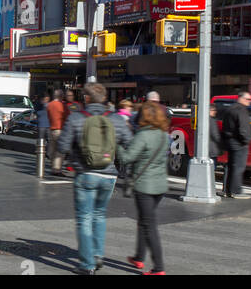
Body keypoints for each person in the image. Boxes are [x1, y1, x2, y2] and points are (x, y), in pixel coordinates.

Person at [58, 81, 132, 275]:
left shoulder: (76, 117)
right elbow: (129, 142)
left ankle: (87, 264)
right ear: (105, 98)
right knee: (99, 215)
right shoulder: (116, 119)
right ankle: (98, 256)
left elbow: (62, 147)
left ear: (87, 98)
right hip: (109, 176)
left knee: (84, 218)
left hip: (85, 174)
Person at [120, 99, 170, 275]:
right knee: (144, 221)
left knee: (149, 225)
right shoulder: (164, 135)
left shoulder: (143, 135)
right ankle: (138, 257)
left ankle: (159, 268)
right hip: (160, 185)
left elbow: (127, 157)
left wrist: (118, 147)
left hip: (145, 186)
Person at [221, 93, 251, 199]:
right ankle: (236, 191)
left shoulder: (230, 109)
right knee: (238, 167)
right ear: (242, 99)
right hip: (239, 143)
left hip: (231, 142)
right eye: (248, 99)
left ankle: (228, 190)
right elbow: (243, 128)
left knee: (231, 167)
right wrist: (246, 140)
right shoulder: (241, 110)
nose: (250, 101)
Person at [47, 88, 66, 174]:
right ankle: (56, 169)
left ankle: (53, 167)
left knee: (52, 150)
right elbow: (67, 118)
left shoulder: (49, 105)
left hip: (51, 130)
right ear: (61, 96)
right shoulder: (62, 106)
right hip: (60, 130)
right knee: (60, 151)